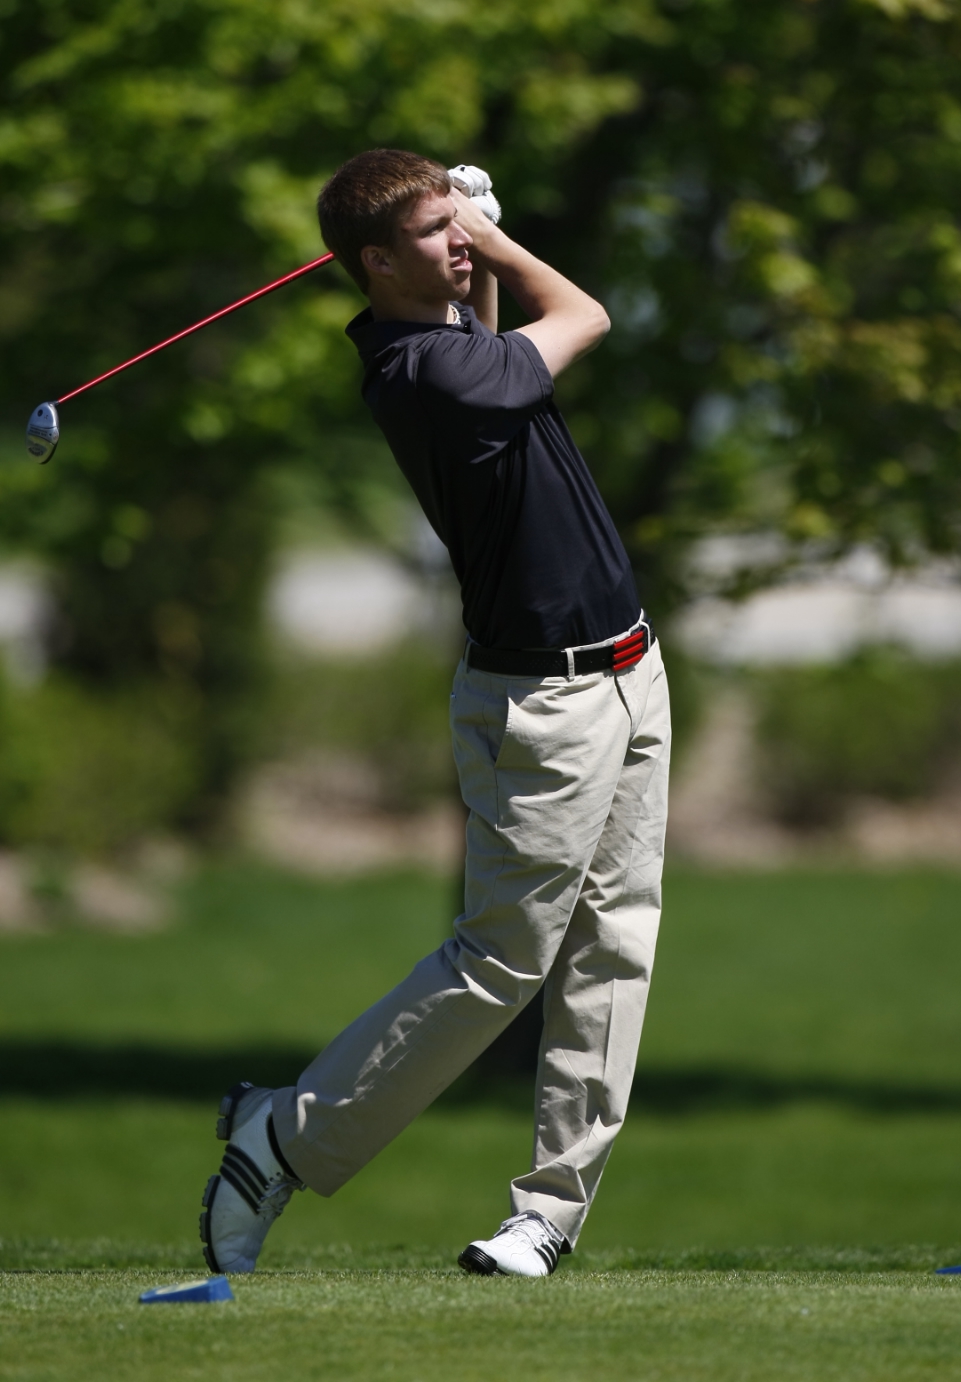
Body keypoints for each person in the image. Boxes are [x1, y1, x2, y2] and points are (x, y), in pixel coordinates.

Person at [199, 148, 672, 1279]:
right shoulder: (423, 372)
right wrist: (496, 238)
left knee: (612, 949)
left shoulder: (448, 343)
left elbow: (489, 335)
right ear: (375, 261)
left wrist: (468, 253)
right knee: (504, 959)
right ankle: (283, 1138)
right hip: (543, 705)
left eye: (456, 219)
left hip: (629, 667)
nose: (458, 237)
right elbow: (587, 316)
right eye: (433, 228)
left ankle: (548, 1213)